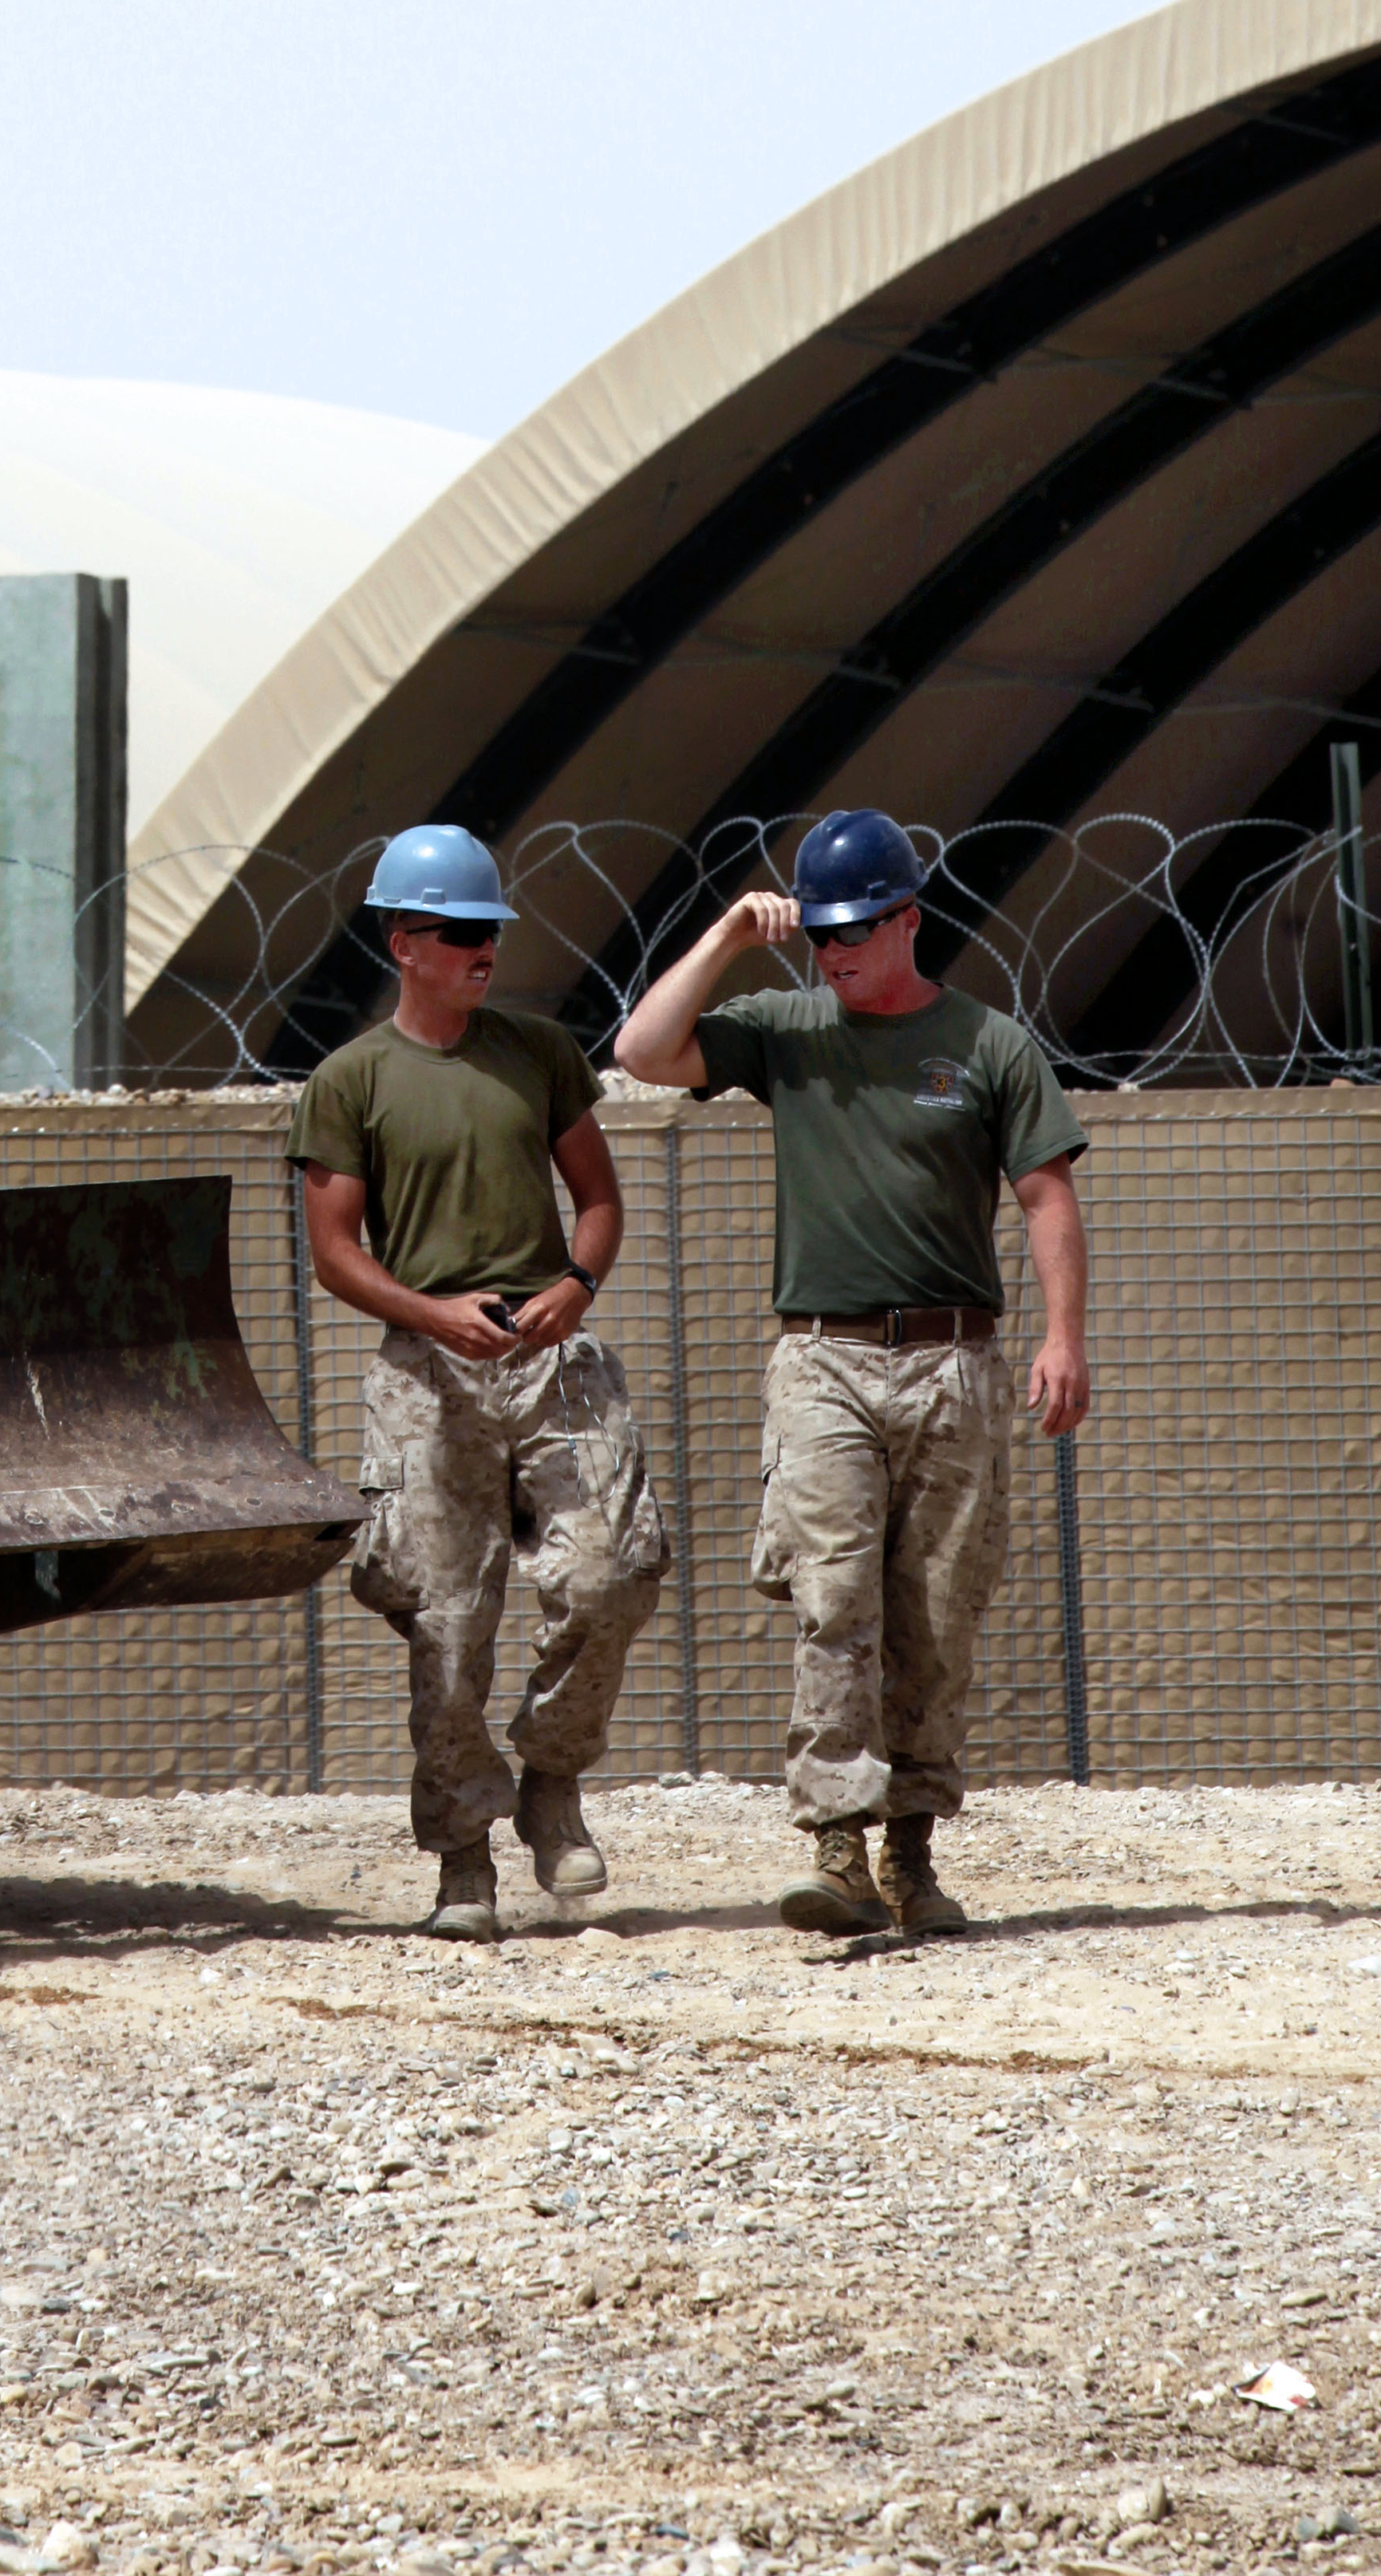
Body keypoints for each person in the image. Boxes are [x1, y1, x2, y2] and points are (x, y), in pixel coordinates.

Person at [610, 807, 1091, 1939]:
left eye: (858, 930)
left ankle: (910, 1855)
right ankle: (836, 1845)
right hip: (823, 1357)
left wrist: (1063, 1337)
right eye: (821, 934)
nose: (835, 952)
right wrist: (730, 936)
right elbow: (641, 1053)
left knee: (935, 1612)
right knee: (833, 1598)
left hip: (954, 1361)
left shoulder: (987, 1045)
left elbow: (1046, 1199)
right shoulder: (787, 1027)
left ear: (908, 919)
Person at [294, 823, 669, 1941]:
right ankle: (466, 1857)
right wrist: (432, 1315)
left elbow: (596, 1199)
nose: (482, 951)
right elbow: (334, 1250)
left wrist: (578, 1284)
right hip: (430, 1371)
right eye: (459, 934)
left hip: (551, 1360)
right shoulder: (350, 1081)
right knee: (445, 1625)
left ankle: (553, 1777)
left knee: (611, 1573)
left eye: (491, 933)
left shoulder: (539, 1052)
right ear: (405, 941)